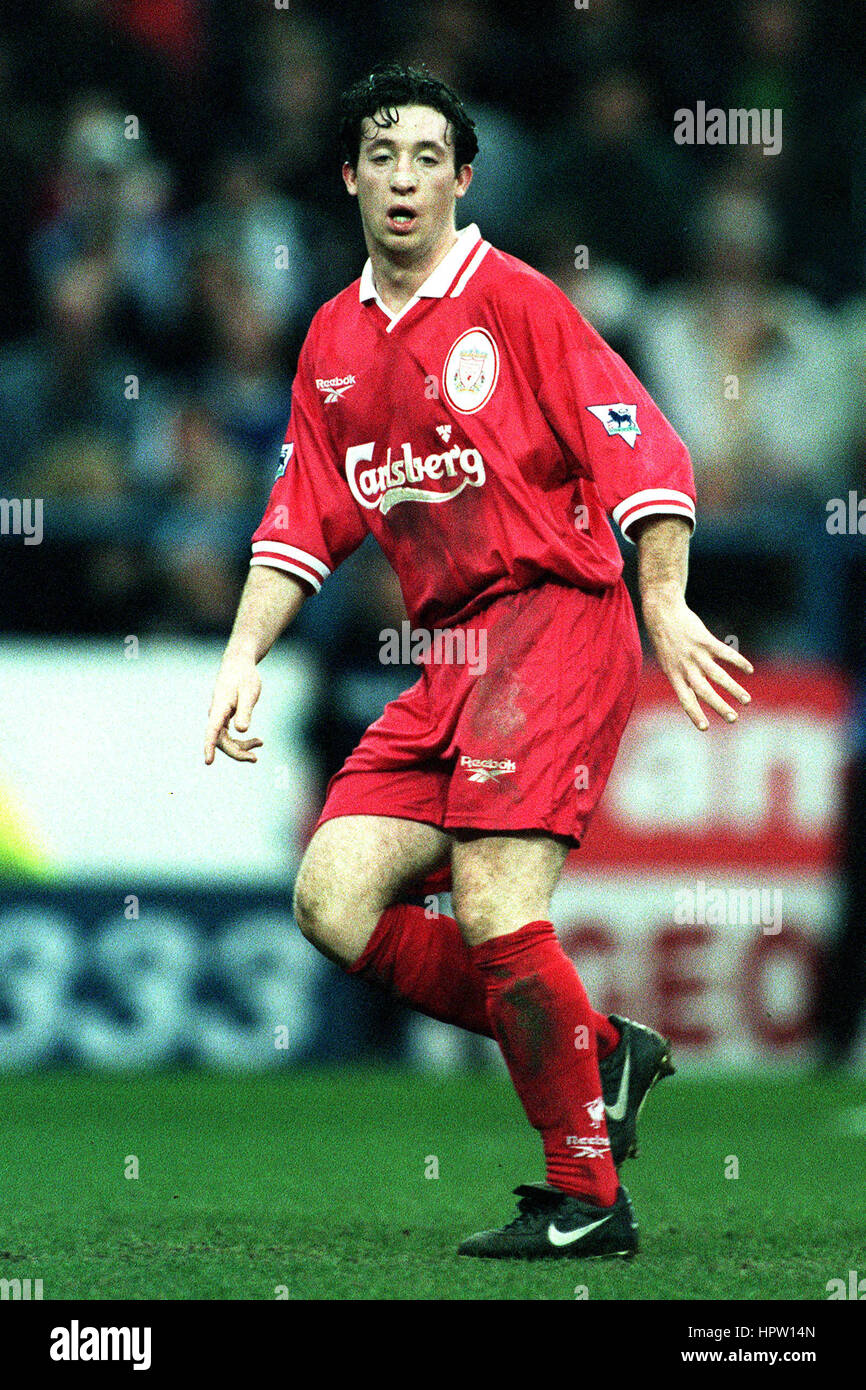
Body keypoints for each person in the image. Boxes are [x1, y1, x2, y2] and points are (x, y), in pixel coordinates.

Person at [204, 64, 753, 1260]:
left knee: (501, 903)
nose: (403, 178)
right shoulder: (333, 342)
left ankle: (589, 1196)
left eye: (426, 158)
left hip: (554, 618)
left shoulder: (513, 302)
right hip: (448, 658)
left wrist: (658, 596)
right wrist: (244, 651)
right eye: (379, 156)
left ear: (460, 177)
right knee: (333, 897)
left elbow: (641, 444)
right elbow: (298, 520)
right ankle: (597, 1049)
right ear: (348, 175)